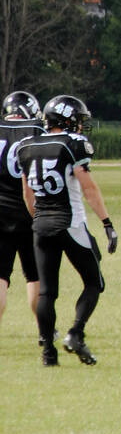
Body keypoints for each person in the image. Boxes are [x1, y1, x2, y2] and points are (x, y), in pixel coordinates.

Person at [17, 95, 117, 366]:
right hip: (70, 222)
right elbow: (89, 188)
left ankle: (48, 352)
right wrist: (107, 223)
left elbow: (28, 195)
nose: (81, 125)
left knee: (47, 291)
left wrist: (39, 218)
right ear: (68, 119)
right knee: (95, 282)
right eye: (78, 119)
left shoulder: (25, 146)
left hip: (41, 224)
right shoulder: (72, 144)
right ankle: (76, 333)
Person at [0, 91, 44, 339]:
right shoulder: (37, 130)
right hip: (30, 210)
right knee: (36, 275)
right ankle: (44, 329)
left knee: (0, 275)